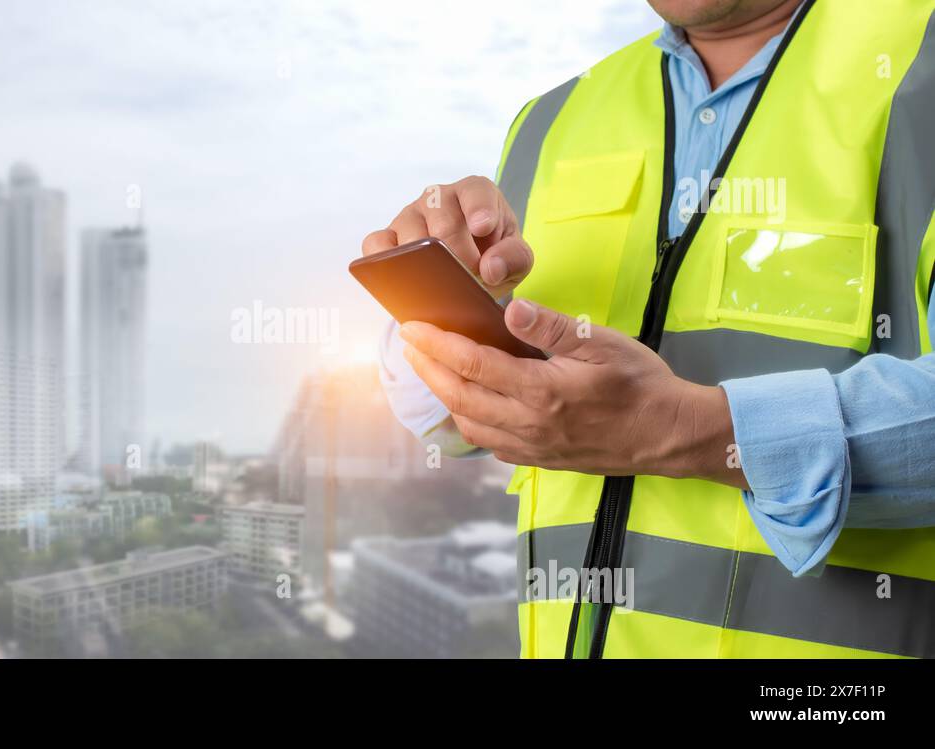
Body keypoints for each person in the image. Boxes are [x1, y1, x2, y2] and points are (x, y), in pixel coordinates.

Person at [362, 0, 935, 658]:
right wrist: (447, 304)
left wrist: (688, 433)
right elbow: (446, 416)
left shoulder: (923, 65)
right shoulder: (552, 119)